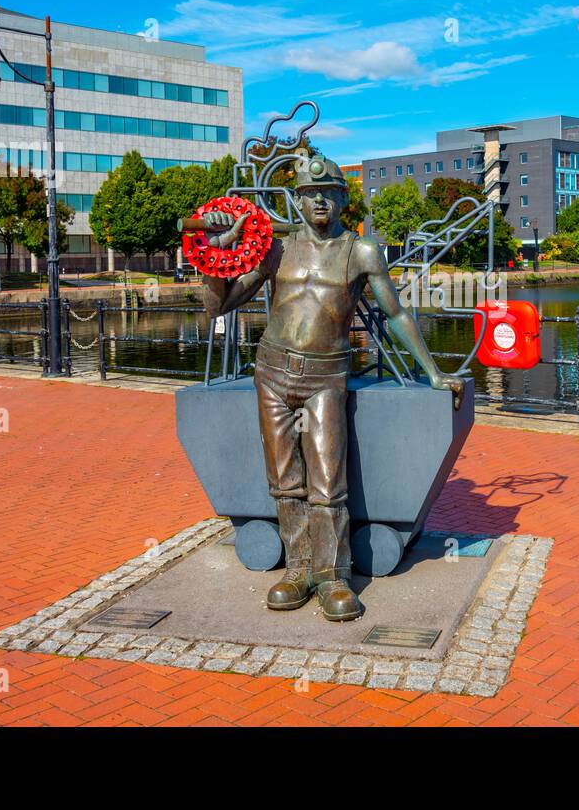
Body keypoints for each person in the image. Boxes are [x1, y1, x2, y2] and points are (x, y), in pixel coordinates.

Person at [198, 155, 462, 621]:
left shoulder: (360, 252)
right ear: (297, 200)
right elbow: (219, 305)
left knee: (327, 478)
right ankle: (298, 569)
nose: (318, 199)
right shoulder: (275, 250)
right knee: (284, 479)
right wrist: (216, 254)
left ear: (343, 197)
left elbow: (395, 314)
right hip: (273, 372)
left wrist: (433, 372)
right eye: (308, 193)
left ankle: (333, 573)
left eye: (328, 192)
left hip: (325, 375)